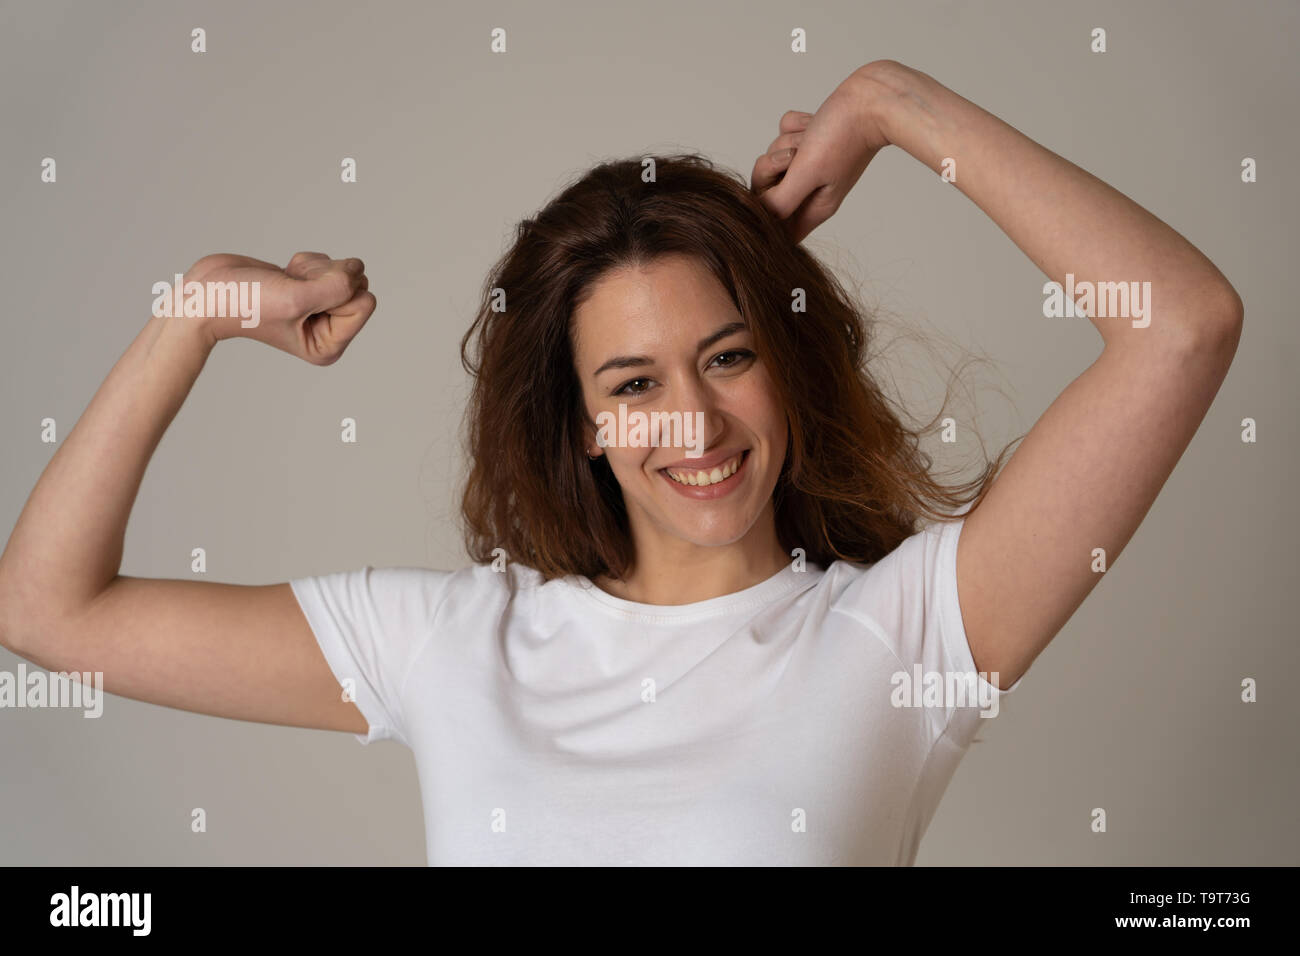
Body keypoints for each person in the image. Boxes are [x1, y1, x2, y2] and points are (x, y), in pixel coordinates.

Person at [0, 59, 1242, 865]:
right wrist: (197, 309)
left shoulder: (907, 632)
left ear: (785, 367)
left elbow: (1180, 324)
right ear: (584, 423)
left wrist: (890, 108)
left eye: (729, 356)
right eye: (633, 384)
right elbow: (50, 611)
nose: (694, 423)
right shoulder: (453, 640)